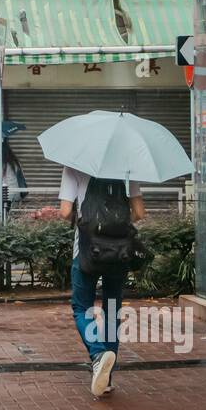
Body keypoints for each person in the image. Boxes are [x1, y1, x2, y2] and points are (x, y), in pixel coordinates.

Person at [58, 166, 144, 397]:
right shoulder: (126, 166)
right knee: (112, 310)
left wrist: (92, 224)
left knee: (80, 307)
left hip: (86, 250)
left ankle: (97, 354)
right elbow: (139, 212)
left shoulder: (74, 166)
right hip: (119, 251)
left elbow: (65, 211)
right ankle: (106, 379)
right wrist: (114, 227)